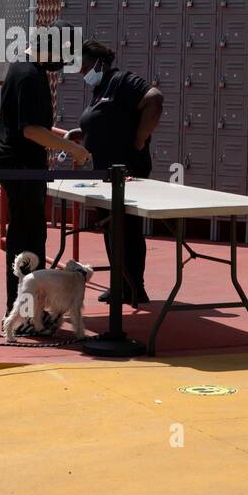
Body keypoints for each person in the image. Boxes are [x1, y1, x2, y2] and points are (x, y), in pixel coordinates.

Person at [0, 29, 92, 313]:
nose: (62, 64)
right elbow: (32, 130)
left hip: (20, 166)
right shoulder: (29, 76)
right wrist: (73, 149)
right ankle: (24, 311)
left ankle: (29, 308)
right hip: (22, 167)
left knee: (28, 237)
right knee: (27, 241)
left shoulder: (22, 68)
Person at [67, 40, 164, 306]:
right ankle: (120, 284)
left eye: (85, 67)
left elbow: (154, 99)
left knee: (128, 230)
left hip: (127, 172)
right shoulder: (100, 88)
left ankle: (135, 287)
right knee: (112, 229)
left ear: (99, 63)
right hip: (105, 174)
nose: (82, 74)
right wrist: (82, 133)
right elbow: (106, 122)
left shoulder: (121, 80)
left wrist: (139, 140)